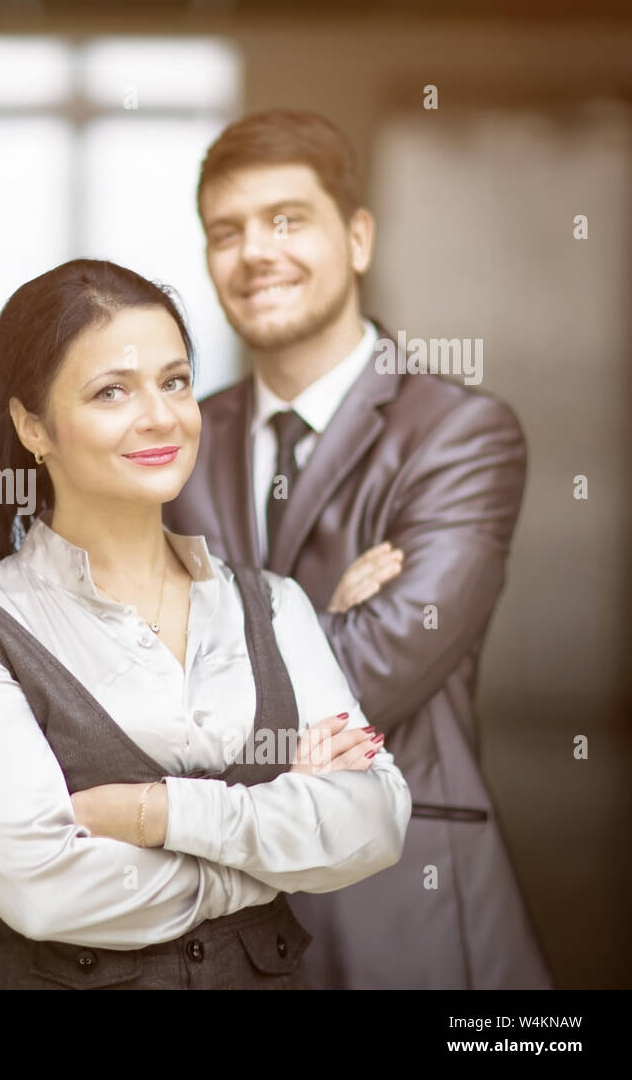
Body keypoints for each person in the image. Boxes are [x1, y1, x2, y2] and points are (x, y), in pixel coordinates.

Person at [0, 258, 410, 989]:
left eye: (175, 381)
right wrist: (270, 860)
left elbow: (374, 820)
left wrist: (156, 812)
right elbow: (42, 887)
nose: (160, 415)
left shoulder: (273, 603)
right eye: (111, 390)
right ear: (32, 426)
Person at [164, 109, 552, 988]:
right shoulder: (177, 439)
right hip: (218, 915)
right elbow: (130, 673)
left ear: (359, 237)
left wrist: (224, 656)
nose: (256, 251)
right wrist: (317, 612)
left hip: (401, 903)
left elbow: (373, 676)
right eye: (227, 231)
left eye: (288, 219)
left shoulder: (458, 433)